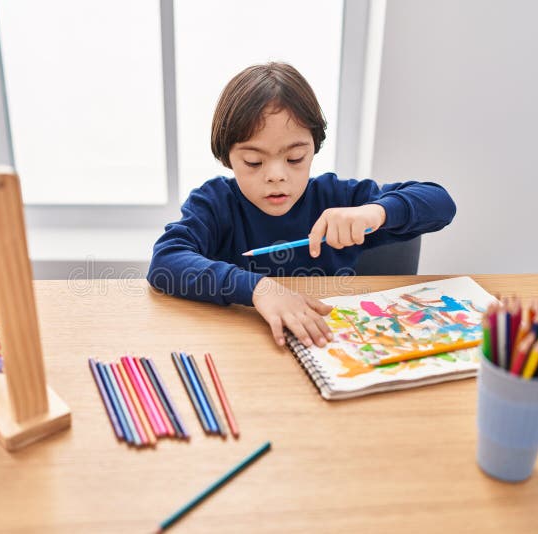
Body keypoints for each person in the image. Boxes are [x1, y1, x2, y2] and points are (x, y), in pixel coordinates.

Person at [147, 62, 456, 349]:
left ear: (313, 147)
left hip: (330, 345)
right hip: (244, 352)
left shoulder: (334, 197)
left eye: (295, 158)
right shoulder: (215, 203)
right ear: (228, 157)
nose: (277, 176)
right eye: (254, 161)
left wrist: (376, 212)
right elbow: (165, 262)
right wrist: (259, 289)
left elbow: (441, 203)